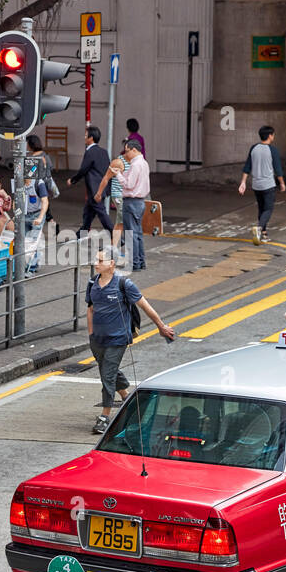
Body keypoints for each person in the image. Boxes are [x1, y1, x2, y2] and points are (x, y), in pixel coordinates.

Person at [87, 249, 175, 434]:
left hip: (118, 339)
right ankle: (129, 398)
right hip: (97, 340)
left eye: (100, 260)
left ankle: (104, 417)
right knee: (107, 370)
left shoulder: (124, 284)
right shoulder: (92, 283)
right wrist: (91, 334)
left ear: (111, 264)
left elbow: (145, 305)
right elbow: (91, 309)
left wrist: (161, 326)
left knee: (108, 375)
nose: (96, 262)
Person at [238, 125, 286, 242]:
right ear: (270, 136)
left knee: (261, 208)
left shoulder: (254, 148)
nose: (273, 136)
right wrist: (282, 183)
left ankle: (263, 234)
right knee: (268, 209)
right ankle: (259, 229)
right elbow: (278, 169)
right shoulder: (272, 150)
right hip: (268, 185)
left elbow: (247, 167)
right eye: (273, 134)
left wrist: (243, 182)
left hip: (256, 185)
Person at [69, 126, 113, 236]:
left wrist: (73, 180)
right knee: (87, 213)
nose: (84, 137)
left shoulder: (90, 152)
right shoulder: (104, 152)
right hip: (100, 189)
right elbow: (107, 170)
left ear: (91, 138)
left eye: (85, 135)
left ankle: (117, 236)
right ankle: (82, 233)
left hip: (95, 191)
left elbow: (83, 169)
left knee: (102, 214)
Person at [119, 139, 151, 271]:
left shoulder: (135, 165)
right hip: (140, 201)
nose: (126, 155)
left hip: (131, 201)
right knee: (138, 233)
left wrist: (118, 175)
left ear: (134, 150)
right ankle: (141, 262)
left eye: (127, 151)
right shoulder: (144, 163)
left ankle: (134, 263)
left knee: (130, 234)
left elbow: (129, 184)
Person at [21, 170, 50, 275]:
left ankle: (31, 267)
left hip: (36, 214)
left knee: (32, 241)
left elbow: (45, 201)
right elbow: (17, 199)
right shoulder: (18, 183)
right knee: (25, 241)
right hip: (24, 215)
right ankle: (34, 263)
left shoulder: (38, 183)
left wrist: (41, 217)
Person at [96, 154, 126, 251]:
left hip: (129, 196)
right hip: (118, 195)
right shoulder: (118, 162)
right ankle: (113, 248)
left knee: (120, 222)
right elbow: (106, 178)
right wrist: (99, 193)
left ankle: (113, 247)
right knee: (122, 221)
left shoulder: (136, 161)